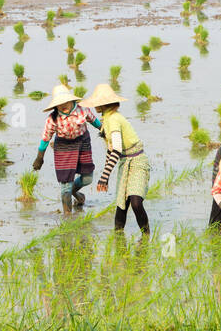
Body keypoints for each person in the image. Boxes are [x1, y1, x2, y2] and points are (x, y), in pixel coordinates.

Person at [88, 83, 150, 235]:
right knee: (122, 203)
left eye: (97, 102)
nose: (94, 104)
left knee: (135, 202)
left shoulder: (114, 119)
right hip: (124, 161)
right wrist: (106, 174)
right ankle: (118, 238)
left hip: (137, 161)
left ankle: (146, 237)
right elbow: (111, 151)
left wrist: (104, 177)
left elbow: (116, 149)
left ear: (104, 104)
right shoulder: (106, 120)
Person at [31, 83, 101, 214]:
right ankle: (67, 216)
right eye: (59, 103)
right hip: (63, 146)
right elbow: (46, 138)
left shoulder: (82, 110)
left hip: (82, 143)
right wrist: (40, 157)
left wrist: (104, 130)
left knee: (87, 178)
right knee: (65, 186)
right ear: (55, 105)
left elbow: (94, 121)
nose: (63, 105)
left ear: (71, 100)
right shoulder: (52, 118)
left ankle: (75, 192)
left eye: (65, 101)